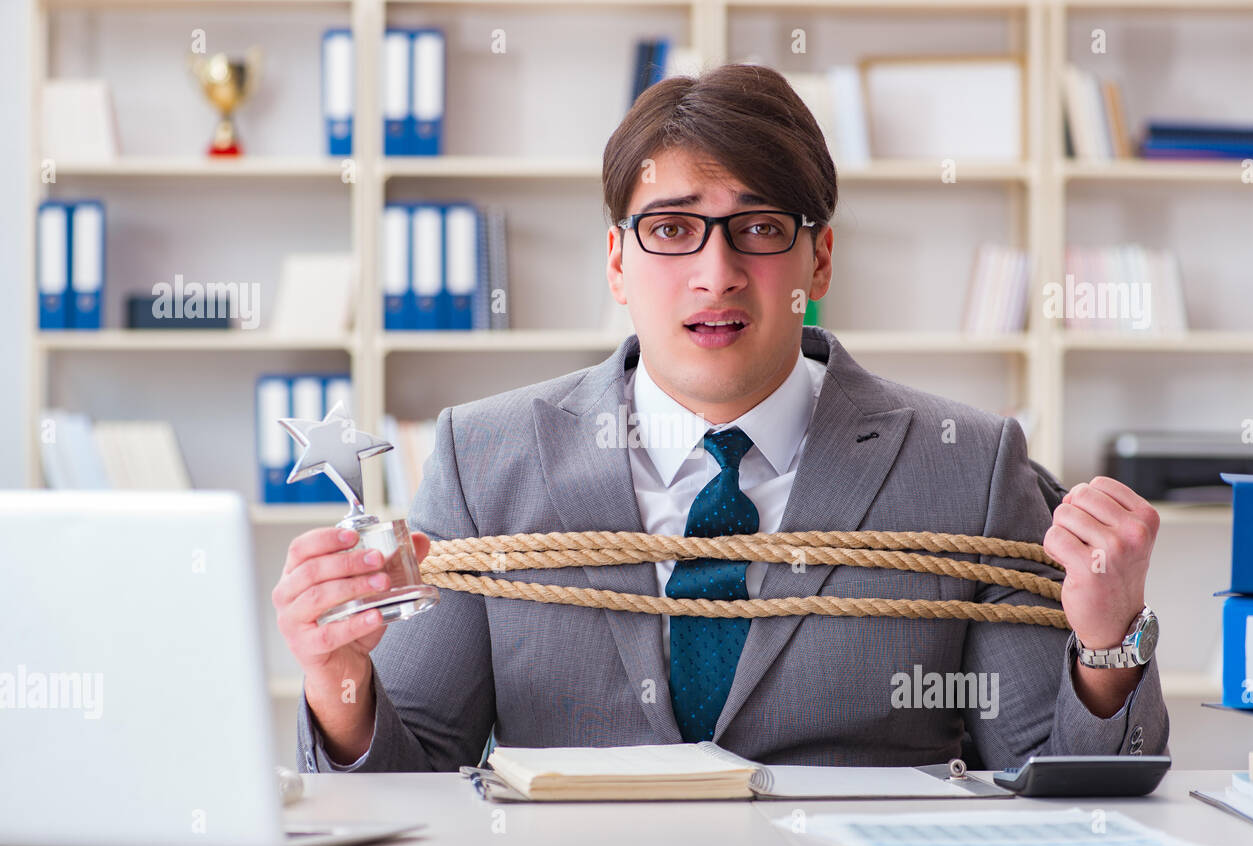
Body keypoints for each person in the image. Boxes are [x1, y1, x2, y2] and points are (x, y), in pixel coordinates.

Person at [273, 63, 1169, 773]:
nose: (717, 273)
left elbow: (1052, 791)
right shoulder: (486, 457)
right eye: (670, 229)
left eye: (759, 227)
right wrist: (338, 680)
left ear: (819, 258)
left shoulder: (966, 466)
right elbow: (416, 776)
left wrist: (1108, 641)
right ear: (617, 263)